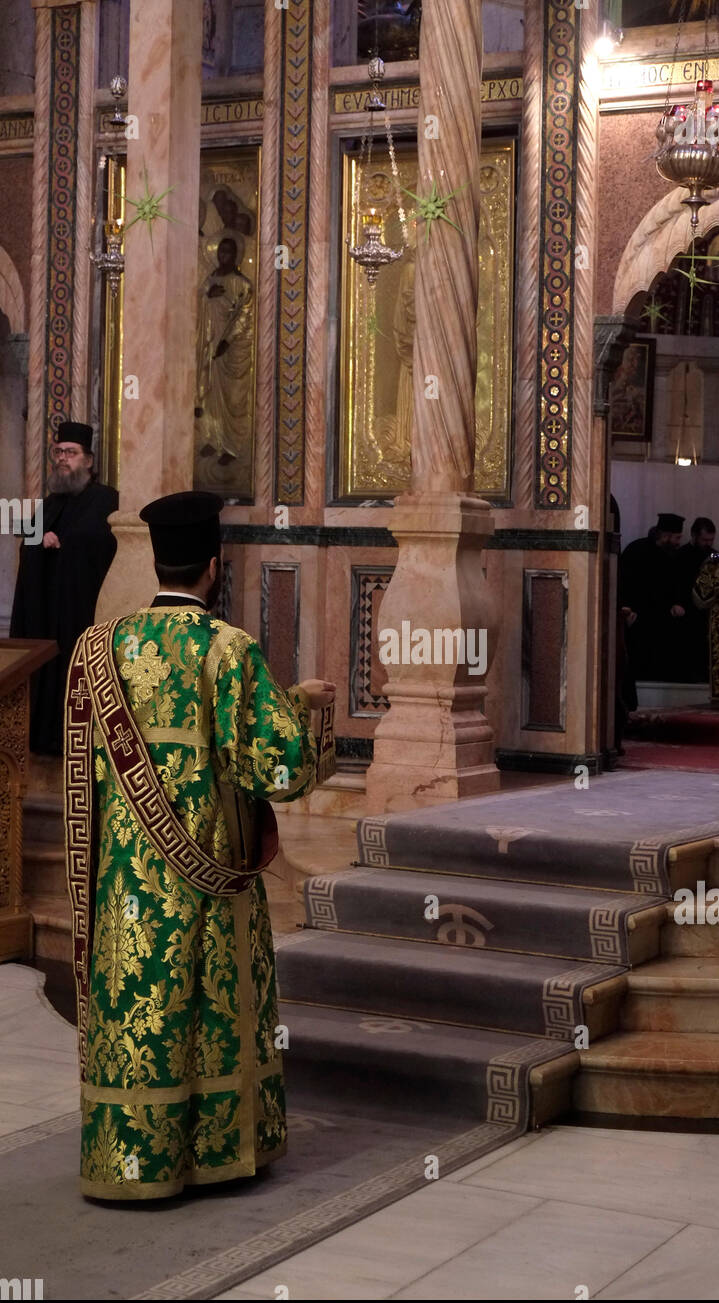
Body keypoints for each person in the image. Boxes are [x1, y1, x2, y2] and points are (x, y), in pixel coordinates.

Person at [64, 491, 335, 1200]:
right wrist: (311, 709)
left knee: (141, 1013)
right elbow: (281, 771)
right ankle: (211, 1155)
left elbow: (82, 776)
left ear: (157, 561)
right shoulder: (228, 651)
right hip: (207, 881)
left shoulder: (101, 648)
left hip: (123, 885)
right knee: (204, 1012)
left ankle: (129, 1162)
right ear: (215, 567)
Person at [10, 421, 118, 755]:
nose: (62, 459)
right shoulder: (51, 502)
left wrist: (66, 544)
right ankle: (42, 738)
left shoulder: (106, 499)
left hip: (81, 613)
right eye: (58, 452)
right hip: (45, 612)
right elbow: (27, 540)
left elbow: (106, 546)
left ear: (88, 460)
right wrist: (39, 540)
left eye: (70, 453)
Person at [195, 233, 255, 473]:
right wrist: (206, 296)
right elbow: (196, 306)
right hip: (209, 346)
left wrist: (227, 342)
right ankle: (212, 439)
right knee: (209, 394)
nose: (223, 256)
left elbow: (245, 317)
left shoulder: (243, 284)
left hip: (230, 352)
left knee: (232, 398)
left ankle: (231, 447)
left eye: (228, 252)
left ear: (236, 255)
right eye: (221, 251)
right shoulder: (209, 281)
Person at [619, 511, 685, 683]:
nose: (679, 542)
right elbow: (624, 583)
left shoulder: (672, 555)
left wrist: (675, 604)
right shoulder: (636, 551)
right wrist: (626, 609)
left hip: (663, 620)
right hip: (638, 619)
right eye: (677, 538)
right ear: (666, 536)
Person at [675, 516, 719, 681]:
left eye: (711, 540)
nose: (708, 543)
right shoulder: (680, 556)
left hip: (706, 612)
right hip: (685, 610)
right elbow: (676, 583)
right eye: (704, 539)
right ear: (694, 536)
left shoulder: (715, 557)